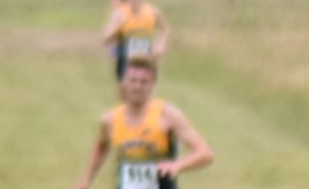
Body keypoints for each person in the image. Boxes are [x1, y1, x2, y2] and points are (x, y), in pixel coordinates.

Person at [72, 57, 214, 189]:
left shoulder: (167, 115)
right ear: (124, 82)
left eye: (143, 82)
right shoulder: (111, 119)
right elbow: (102, 146)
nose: (137, 87)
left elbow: (205, 153)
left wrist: (177, 165)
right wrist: (86, 179)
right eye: (133, 81)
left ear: (153, 84)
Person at [102, 0, 168, 83]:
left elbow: (165, 29)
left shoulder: (153, 12)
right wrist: (118, 27)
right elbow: (105, 39)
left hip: (147, 57)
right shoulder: (119, 13)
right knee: (126, 89)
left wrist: (161, 44)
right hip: (126, 59)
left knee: (146, 87)